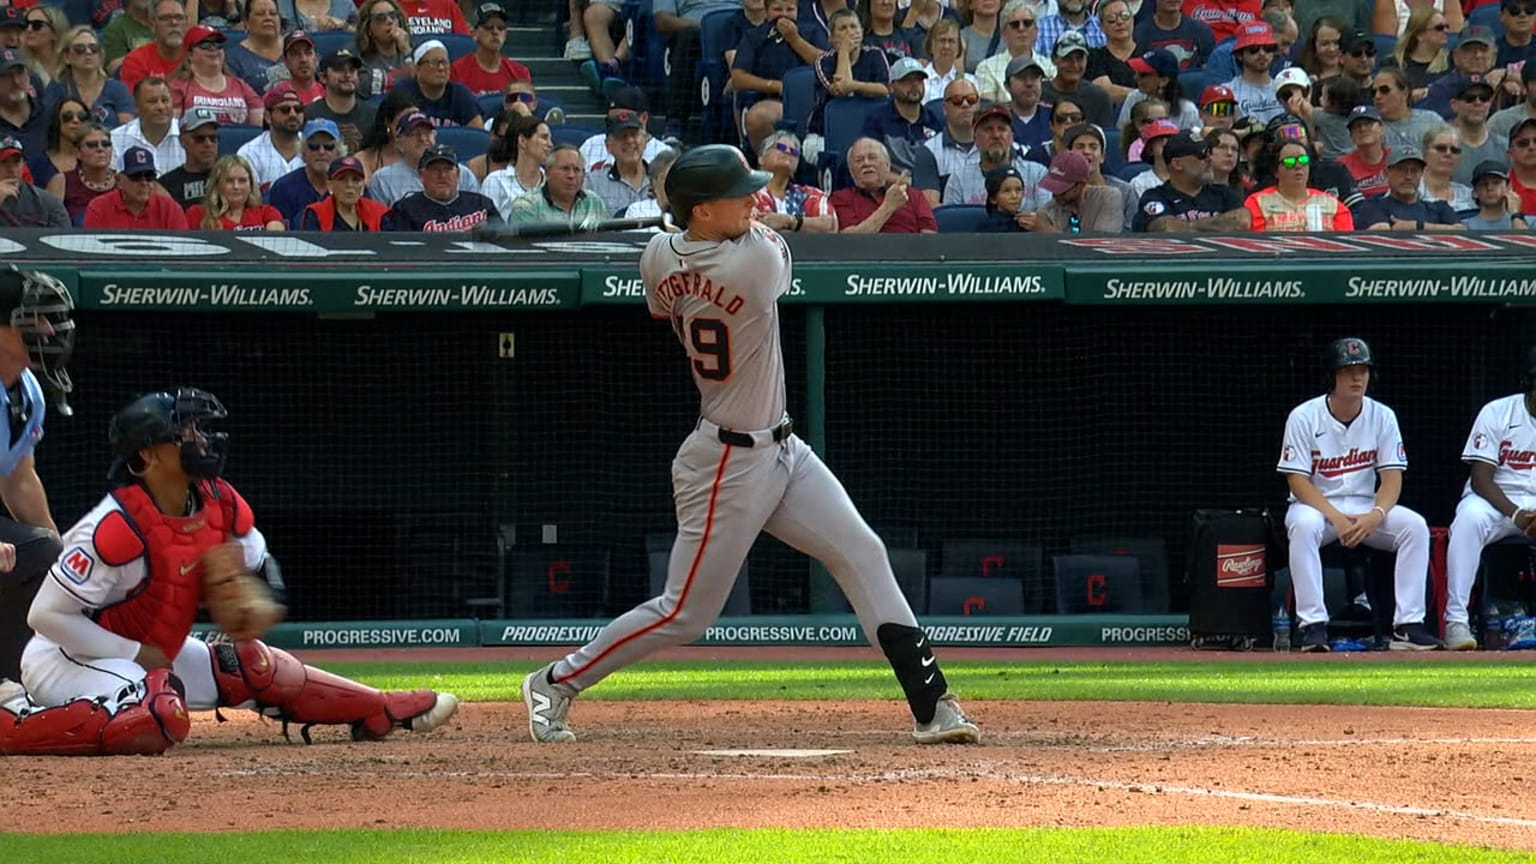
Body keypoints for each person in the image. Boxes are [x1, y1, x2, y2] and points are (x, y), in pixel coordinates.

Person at [520, 144, 980, 747]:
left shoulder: (657, 256)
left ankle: (933, 705)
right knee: (686, 613)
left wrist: (685, 239)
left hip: (782, 448)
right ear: (702, 210)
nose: (753, 200)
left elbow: (669, 289)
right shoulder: (756, 260)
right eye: (738, 195)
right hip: (726, 463)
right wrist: (712, 235)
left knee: (863, 552)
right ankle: (555, 681)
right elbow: (762, 240)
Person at [0, 388, 459, 756]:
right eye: (184, 432)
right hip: (65, 659)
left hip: (149, 652)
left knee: (251, 666)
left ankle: (378, 707)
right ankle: (13, 720)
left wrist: (253, 594)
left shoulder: (217, 500)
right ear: (148, 456)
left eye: (199, 429)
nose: (201, 439)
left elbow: (256, 560)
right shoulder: (115, 527)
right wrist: (135, 653)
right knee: (153, 713)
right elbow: (45, 616)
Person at [1278, 338, 1442, 653]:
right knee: (1303, 525)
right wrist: (1336, 518)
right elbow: (1297, 480)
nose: (1357, 377)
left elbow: (1392, 478)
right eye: (1348, 370)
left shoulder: (1383, 416)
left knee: (1414, 526)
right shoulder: (1304, 416)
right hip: (1317, 507)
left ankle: (1408, 625)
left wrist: (1375, 515)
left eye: (1363, 370)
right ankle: (1313, 625)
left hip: (1365, 506)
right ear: (1331, 375)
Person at [0, 267, 74, 686]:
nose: (48, 330)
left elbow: (19, 479)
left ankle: (11, 682)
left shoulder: (28, 390)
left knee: (44, 551)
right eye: (34, 319)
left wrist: (63, 561)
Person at [1444, 348, 1536, 650]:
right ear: (1530, 382)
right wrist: (1517, 515)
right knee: (1468, 519)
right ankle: (1456, 621)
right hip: (1496, 503)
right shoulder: (1498, 412)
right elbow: (1481, 479)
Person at [1133, 129, 1249, 231]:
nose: (1209, 159)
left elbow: (1242, 222)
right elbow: (1166, 229)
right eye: (1201, 155)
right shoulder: (1155, 196)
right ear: (1177, 164)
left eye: (1209, 153)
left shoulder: (1224, 194)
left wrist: (1187, 226)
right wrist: (1220, 223)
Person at [382, 144, 498, 231]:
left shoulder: (481, 204)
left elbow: (504, 238)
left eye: (448, 169)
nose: (442, 175)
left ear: (458, 174)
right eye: (435, 170)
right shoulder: (405, 210)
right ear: (422, 175)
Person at [1245, 139, 1356, 230]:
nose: (1298, 166)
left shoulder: (1332, 205)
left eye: (1303, 160)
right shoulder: (1257, 203)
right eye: (1289, 162)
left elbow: (1347, 244)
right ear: (1276, 171)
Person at [171, 26, 262, 127]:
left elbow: (258, 124)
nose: (213, 48)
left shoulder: (240, 86)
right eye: (205, 44)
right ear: (190, 54)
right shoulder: (179, 87)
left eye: (218, 44)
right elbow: (172, 127)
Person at [45, 27, 135, 128]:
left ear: (100, 55)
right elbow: (48, 127)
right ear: (66, 57)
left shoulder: (117, 88)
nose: (88, 52)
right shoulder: (57, 89)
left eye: (94, 48)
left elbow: (127, 128)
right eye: (80, 49)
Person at [751, 130, 837, 233]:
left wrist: (790, 221)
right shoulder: (747, 193)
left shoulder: (811, 195)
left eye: (794, 152)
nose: (788, 152)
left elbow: (830, 226)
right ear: (761, 158)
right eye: (781, 147)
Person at [507, 143, 609, 226]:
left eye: (577, 170)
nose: (571, 175)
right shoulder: (527, 206)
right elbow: (525, 245)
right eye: (565, 169)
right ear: (547, 172)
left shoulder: (594, 203)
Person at [268, 119, 341, 225]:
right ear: (303, 151)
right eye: (313, 146)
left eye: (328, 147)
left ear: (338, 152)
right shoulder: (283, 188)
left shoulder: (351, 185)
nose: (321, 152)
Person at [187, 154, 286, 230]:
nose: (236, 186)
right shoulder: (198, 214)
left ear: (251, 184)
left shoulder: (267, 212)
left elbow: (275, 242)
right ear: (217, 185)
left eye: (242, 180)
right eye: (229, 181)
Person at [481, 113, 553, 218]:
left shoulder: (552, 182)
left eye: (550, 139)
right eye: (544, 137)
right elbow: (486, 222)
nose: (550, 144)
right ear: (522, 141)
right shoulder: (495, 181)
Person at [451, 3, 531, 96]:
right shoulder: (457, 71)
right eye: (488, 27)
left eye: (500, 27)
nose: (495, 32)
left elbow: (528, 103)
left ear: (505, 35)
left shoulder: (520, 73)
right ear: (474, 33)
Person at [111, 77, 185, 175]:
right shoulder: (116, 139)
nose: (161, 107)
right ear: (136, 106)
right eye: (152, 101)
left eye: (165, 100)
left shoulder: (188, 135)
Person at [1035, 149, 1122, 231]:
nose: (1056, 194)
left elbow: (1103, 239)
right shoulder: (1048, 210)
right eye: (1053, 188)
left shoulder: (1107, 197)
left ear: (1082, 184)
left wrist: (1050, 232)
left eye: (1062, 191)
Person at [237, 89, 305, 192]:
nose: (293, 114)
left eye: (298, 109)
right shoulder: (250, 152)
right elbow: (249, 197)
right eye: (285, 110)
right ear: (268, 117)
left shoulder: (316, 147)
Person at [47, 123, 118, 223]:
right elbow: (50, 223)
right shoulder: (62, 181)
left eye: (106, 144)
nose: (100, 149)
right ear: (78, 153)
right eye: (92, 145)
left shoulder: (122, 181)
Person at [297, 155, 390, 230]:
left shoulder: (380, 214)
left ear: (362, 186)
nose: (350, 185)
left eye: (355, 179)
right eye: (342, 179)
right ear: (330, 185)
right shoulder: (315, 214)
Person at [120, 0, 189, 94]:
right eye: (165, 18)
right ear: (152, 24)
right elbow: (134, 100)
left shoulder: (199, 57)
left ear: (186, 23)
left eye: (179, 18)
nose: (174, 22)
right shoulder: (136, 60)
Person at [0, 136, 71, 228]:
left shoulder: (48, 202)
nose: (11, 169)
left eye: (16, 162)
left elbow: (63, 235)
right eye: (3, 162)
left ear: (24, 164)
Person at [159, 106, 220, 209]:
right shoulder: (167, 184)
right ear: (182, 141)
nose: (208, 144)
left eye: (213, 138)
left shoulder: (232, 176)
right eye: (199, 138)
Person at [1463, 160, 1528, 228]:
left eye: (1496, 182)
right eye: (1484, 184)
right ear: (1474, 193)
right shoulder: (1464, 226)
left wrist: (1516, 215)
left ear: (1508, 188)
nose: (1489, 188)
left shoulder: (1531, 222)